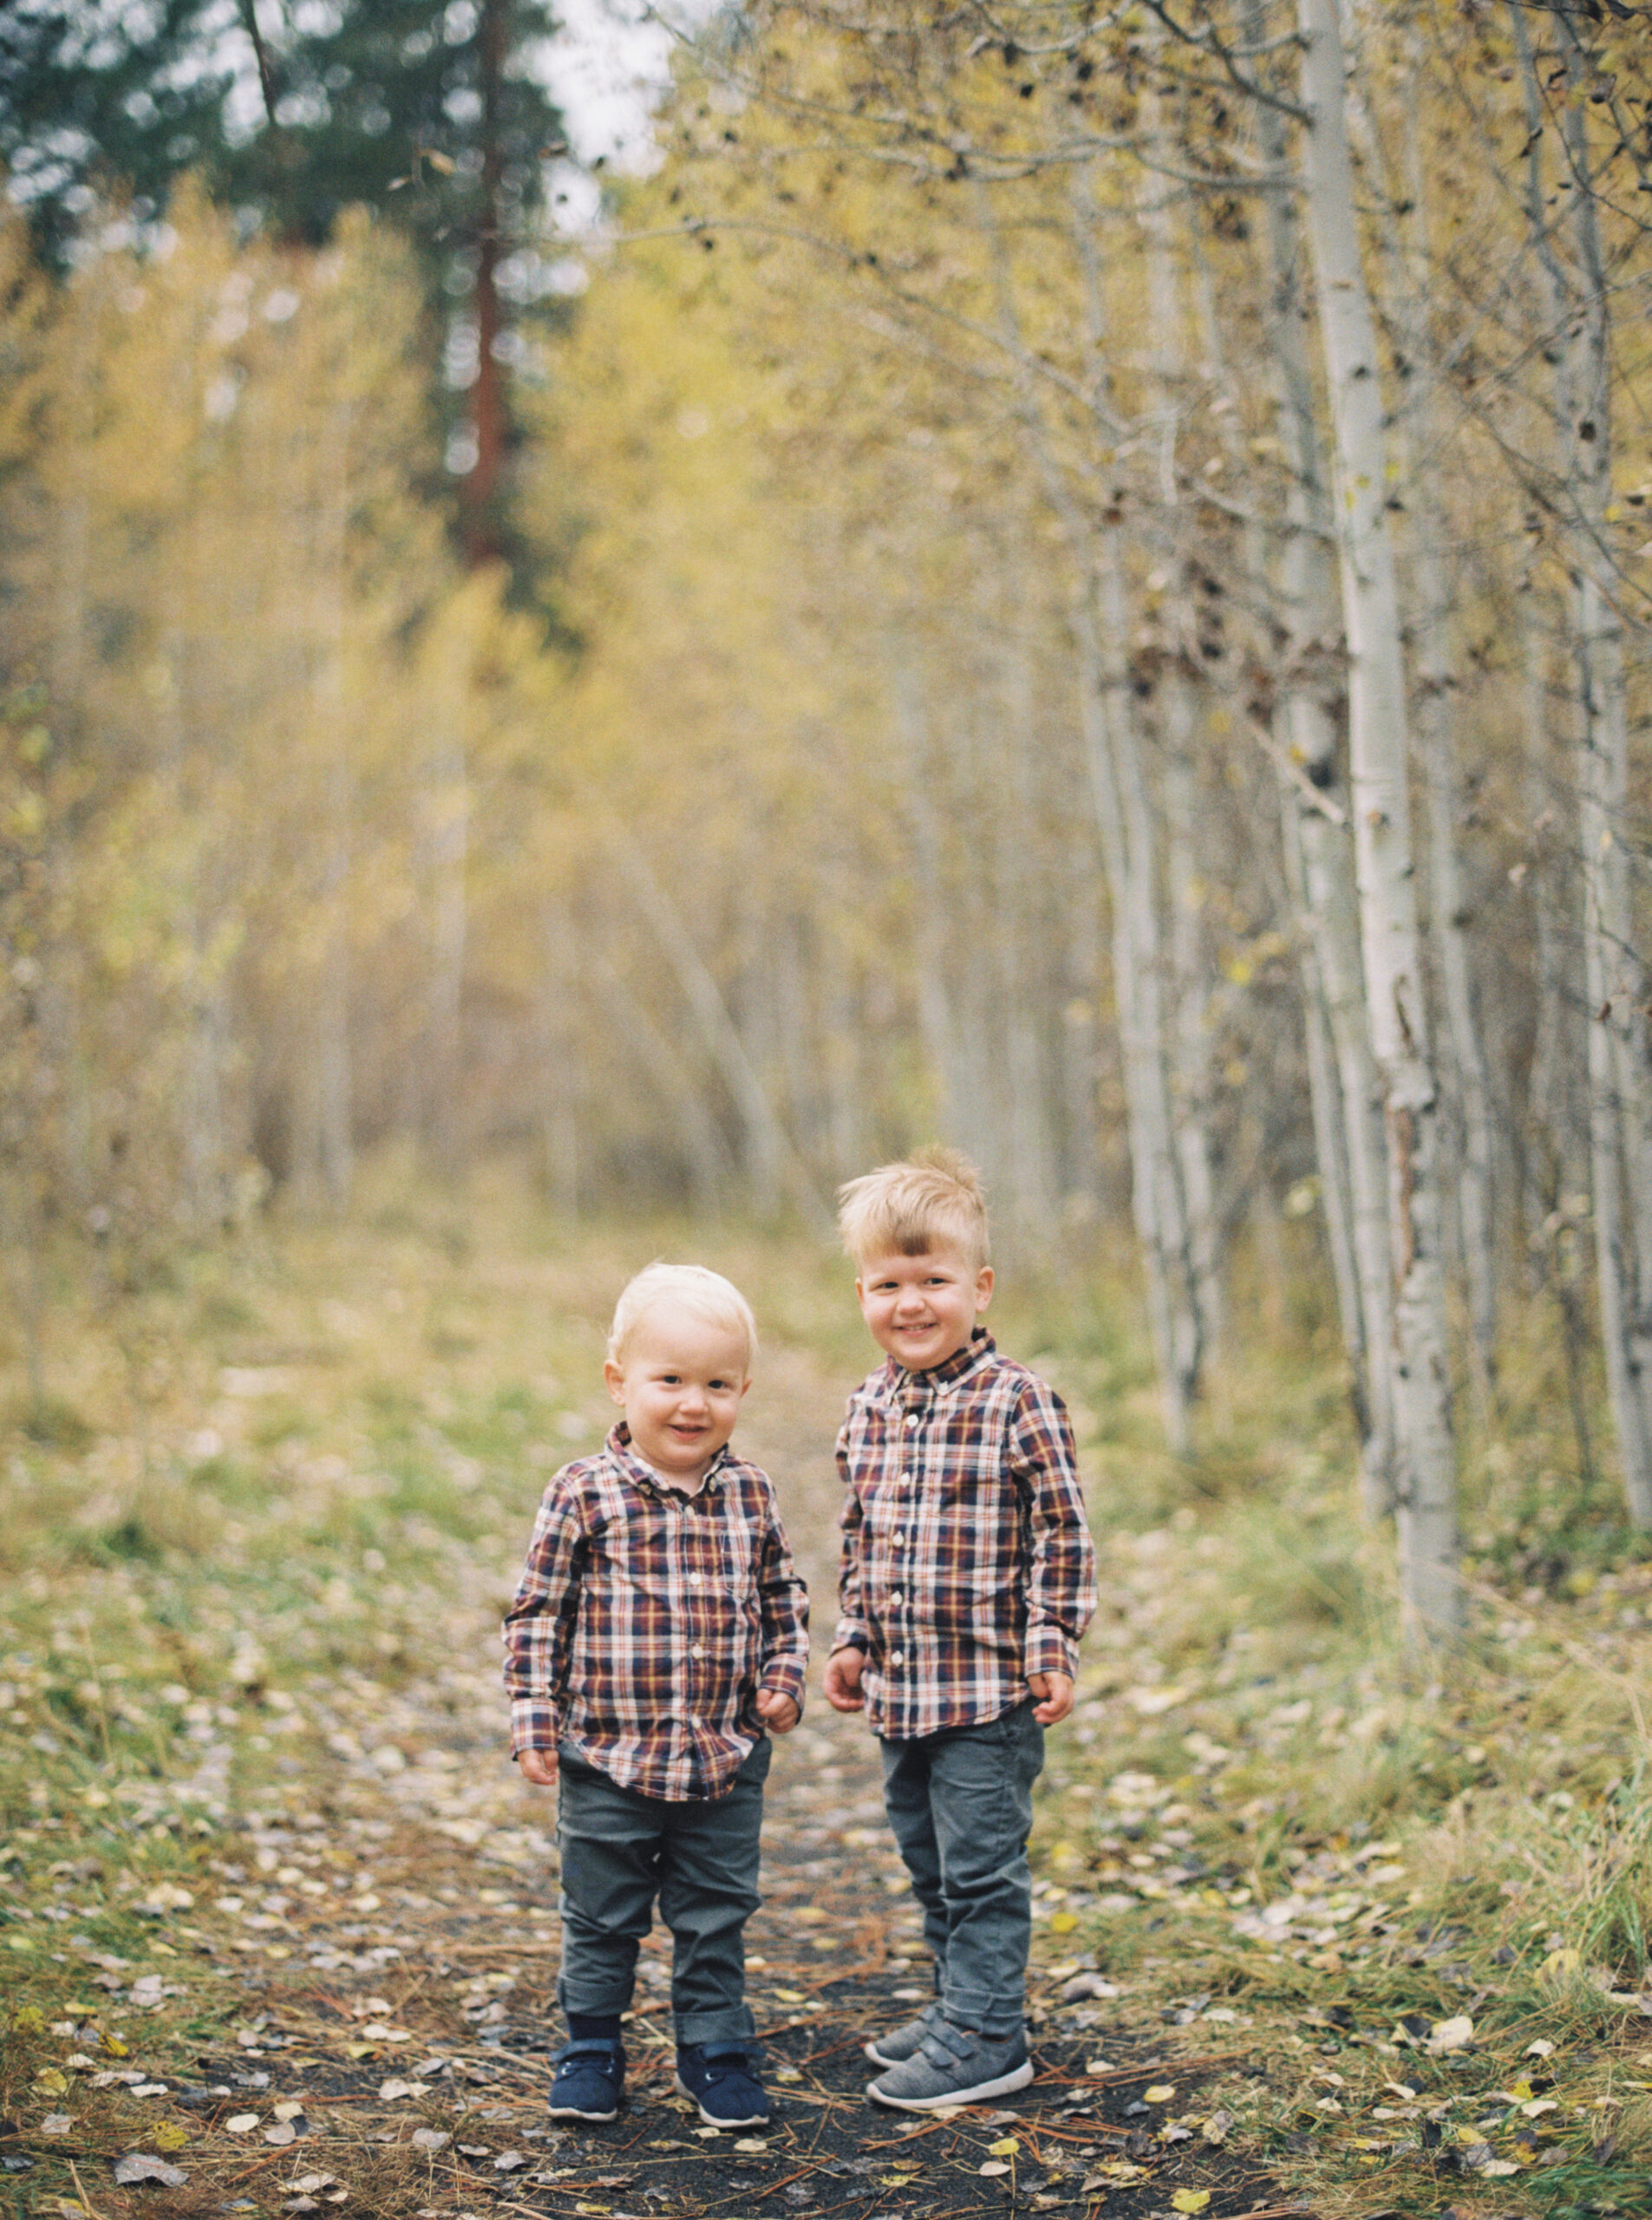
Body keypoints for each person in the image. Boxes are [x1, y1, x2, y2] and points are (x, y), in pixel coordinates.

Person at [504, 1263, 808, 2129]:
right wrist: (535, 1719)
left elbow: (784, 1602)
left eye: (717, 1384)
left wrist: (781, 1684)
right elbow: (537, 1614)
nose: (692, 1404)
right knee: (601, 1916)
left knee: (714, 1913)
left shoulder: (750, 1494)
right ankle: (591, 2045)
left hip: (724, 1759)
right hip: (605, 1757)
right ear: (620, 1381)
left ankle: (715, 2047)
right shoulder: (583, 1493)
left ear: (743, 1389)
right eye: (669, 1379)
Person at [823, 1150, 1096, 2112]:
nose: (911, 1303)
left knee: (981, 1867)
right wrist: (853, 1633)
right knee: (928, 1857)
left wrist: (1053, 1642)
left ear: (978, 1288)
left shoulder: (1017, 1400)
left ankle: (990, 2035)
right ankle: (957, 2004)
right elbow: (862, 1534)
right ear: (861, 1291)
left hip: (987, 1694)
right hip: (904, 1694)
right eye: (889, 1284)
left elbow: (1061, 1532)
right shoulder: (868, 1406)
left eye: (933, 1280)